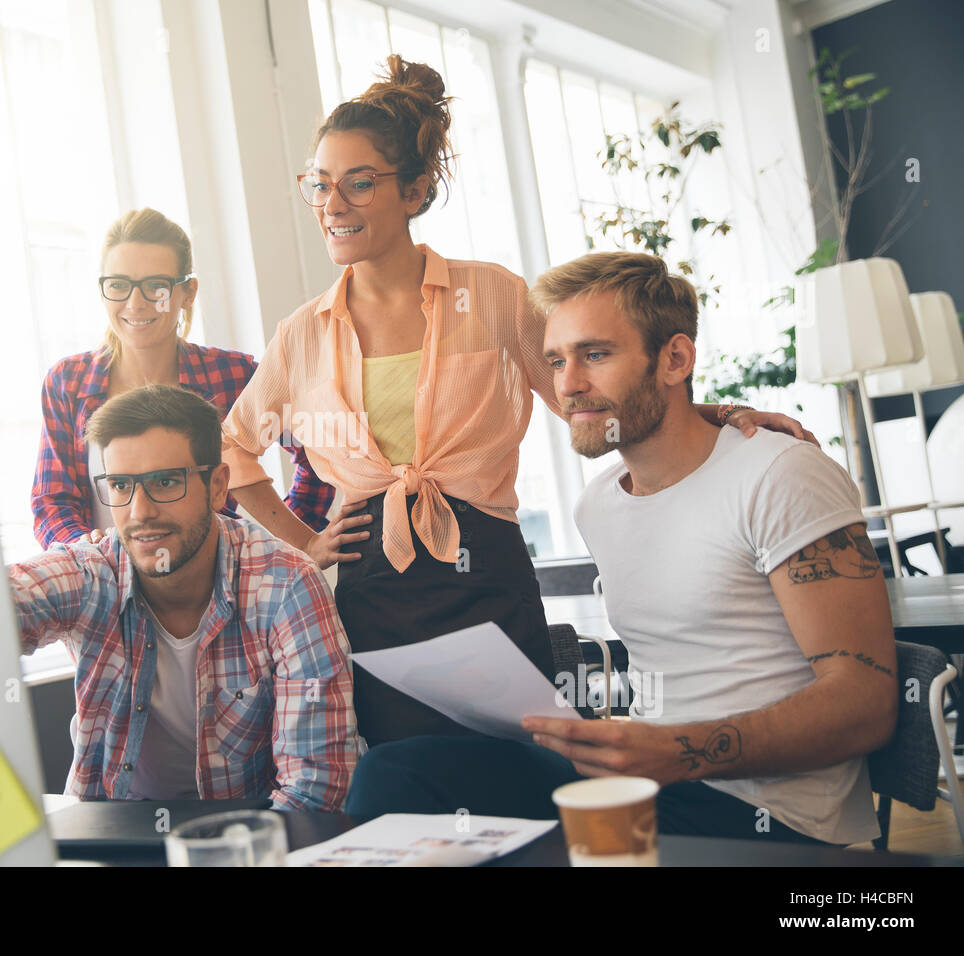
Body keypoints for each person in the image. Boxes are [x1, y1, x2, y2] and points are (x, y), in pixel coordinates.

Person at [218, 56, 814, 747]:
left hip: (486, 566)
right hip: (371, 585)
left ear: (413, 191)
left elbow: (586, 394)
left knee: (526, 759)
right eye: (319, 186)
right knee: (406, 773)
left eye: (358, 184)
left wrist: (712, 415)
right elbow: (233, 447)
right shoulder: (302, 335)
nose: (331, 204)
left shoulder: (494, 296)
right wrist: (307, 545)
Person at [344, 252, 896, 845]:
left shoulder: (782, 475)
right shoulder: (599, 503)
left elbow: (865, 702)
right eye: (556, 361)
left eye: (596, 355)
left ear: (675, 358)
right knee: (395, 772)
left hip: (764, 818)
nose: (568, 384)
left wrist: (677, 752)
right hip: (647, 782)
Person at [10, 385, 359, 810]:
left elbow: (314, 791)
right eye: (120, 485)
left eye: (165, 482)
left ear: (217, 487)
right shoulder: (90, 573)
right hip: (110, 839)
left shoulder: (287, 587)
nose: (139, 512)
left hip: (250, 840)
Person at [32, 207, 334, 550]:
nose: (135, 304)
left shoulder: (233, 376)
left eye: (155, 286)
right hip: (107, 586)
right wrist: (86, 551)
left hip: (216, 588)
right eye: (118, 285)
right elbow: (51, 501)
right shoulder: (67, 383)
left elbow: (317, 456)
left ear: (187, 292)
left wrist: (287, 546)